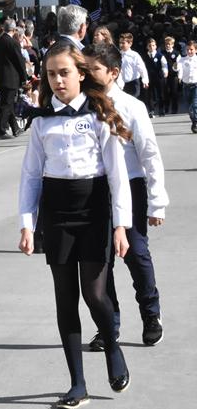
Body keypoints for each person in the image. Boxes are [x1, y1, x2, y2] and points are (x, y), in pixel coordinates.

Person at [18, 43, 132, 409]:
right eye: (51, 74)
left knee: (94, 293)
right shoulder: (41, 121)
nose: (57, 80)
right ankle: (77, 383)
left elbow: (117, 175)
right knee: (64, 297)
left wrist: (121, 225)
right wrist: (26, 223)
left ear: (81, 73)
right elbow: (31, 176)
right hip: (56, 212)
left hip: (94, 209)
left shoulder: (99, 115)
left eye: (64, 72)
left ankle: (112, 345)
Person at [82, 44, 168, 349]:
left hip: (130, 187)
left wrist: (157, 201)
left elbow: (150, 155)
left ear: (113, 73)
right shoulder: (84, 105)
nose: (87, 75)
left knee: (136, 253)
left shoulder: (132, 107)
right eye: (85, 68)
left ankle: (151, 315)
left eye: (93, 69)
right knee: (102, 261)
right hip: (96, 189)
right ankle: (109, 326)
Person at [0, 21, 29, 139]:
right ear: (13, 30)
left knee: (8, 103)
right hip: (10, 77)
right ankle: (0, 129)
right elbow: (19, 61)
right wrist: (24, 78)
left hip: (0, 76)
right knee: (7, 103)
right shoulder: (13, 42)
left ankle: (15, 128)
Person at [115, 34, 148, 100]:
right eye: (120, 43)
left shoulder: (134, 55)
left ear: (130, 44)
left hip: (133, 83)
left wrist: (145, 80)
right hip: (122, 83)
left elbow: (142, 68)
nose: (121, 45)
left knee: (134, 100)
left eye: (123, 43)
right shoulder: (118, 55)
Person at [177, 40, 197, 133]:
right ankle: (193, 120)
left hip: (195, 85)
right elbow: (178, 68)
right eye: (188, 49)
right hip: (186, 86)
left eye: (191, 49)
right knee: (189, 108)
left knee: (195, 104)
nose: (189, 51)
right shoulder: (182, 59)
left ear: (195, 50)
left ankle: (195, 123)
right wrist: (179, 75)